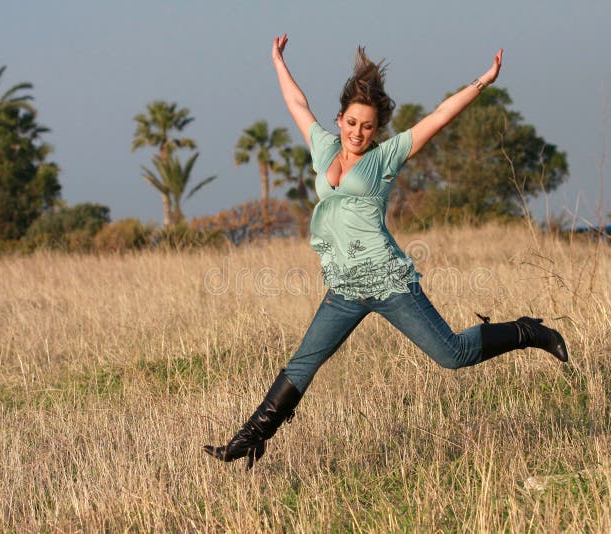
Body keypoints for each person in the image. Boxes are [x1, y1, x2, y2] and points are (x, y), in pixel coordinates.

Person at [204, 34, 568, 468]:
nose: (358, 132)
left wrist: (482, 82)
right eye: (352, 123)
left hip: (387, 280)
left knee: (451, 355)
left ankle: (528, 331)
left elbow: (439, 117)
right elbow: (298, 105)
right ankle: (249, 439)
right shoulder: (323, 148)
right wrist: (277, 61)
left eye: (368, 126)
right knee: (303, 363)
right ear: (340, 120)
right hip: (345, 286)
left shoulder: (386, 158)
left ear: (377, 130)